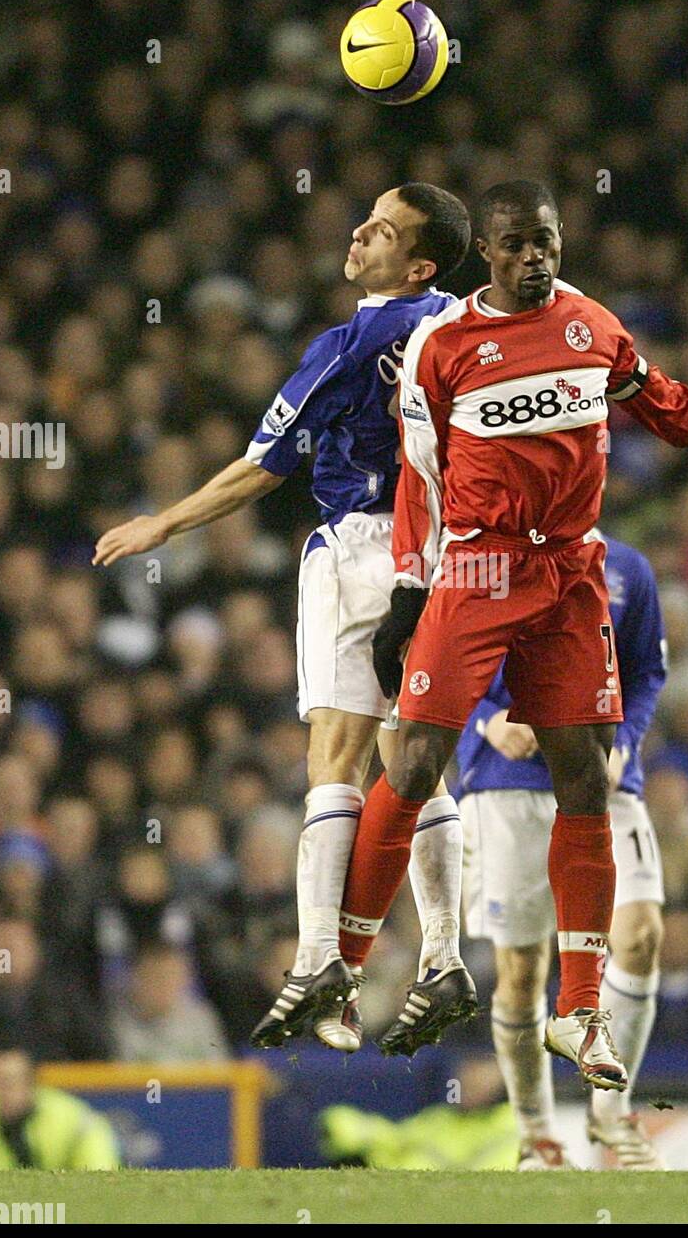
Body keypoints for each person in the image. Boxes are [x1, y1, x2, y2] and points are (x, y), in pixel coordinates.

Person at [335, 179, 688, 1086]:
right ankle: (340, 970)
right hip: (481, 569)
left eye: (546, 241)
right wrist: (410, 593)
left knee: (588, 775)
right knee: (410, 763)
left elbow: (669, 406)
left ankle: (580, 1013)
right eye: (514, 245)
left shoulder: (593, 328)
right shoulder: (440, 345)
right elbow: (418, 478)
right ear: (483, 254)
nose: (533, 258)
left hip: (572, 573)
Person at [92, 185, 474, 1052]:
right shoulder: (462, 323)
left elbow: (263, 465)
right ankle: (445, 954)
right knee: (417, 767)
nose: (357, 231)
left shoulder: (352, 345)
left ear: (415, 263)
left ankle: (317, 962)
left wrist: (165, 521)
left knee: (335, 761)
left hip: (367, 551)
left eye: (380, 229)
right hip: (451, 559)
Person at [457, 536, 668, 1169]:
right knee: (522, 972)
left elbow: (645, 670)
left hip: (600, 781)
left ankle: (610, 1114)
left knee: (641, 934)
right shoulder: (480, 558)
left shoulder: (627, 567)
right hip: (508, 786)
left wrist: (626, 739)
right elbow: (434, 659)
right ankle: (539, 1136)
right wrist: (486, 722)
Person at [0, 1044, 119, 1171]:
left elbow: (100, 1171)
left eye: (10, 1082)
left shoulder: (67, 1115)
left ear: (30, 1082)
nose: (2, 1091)